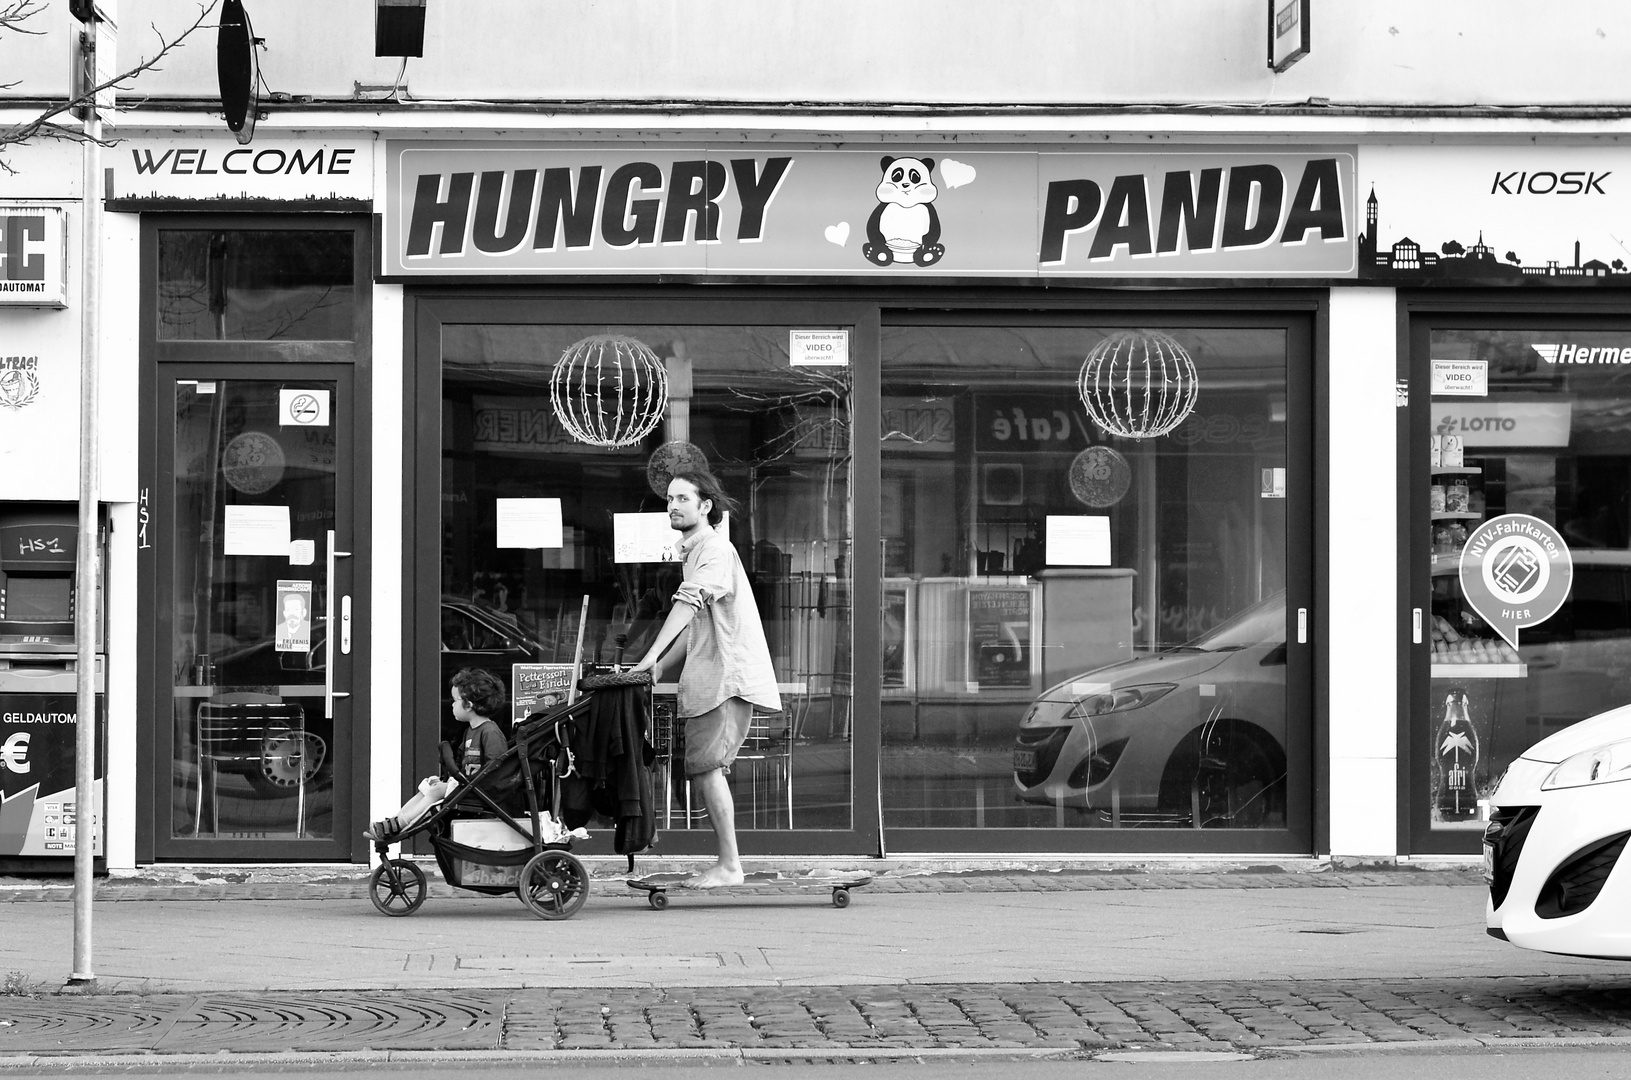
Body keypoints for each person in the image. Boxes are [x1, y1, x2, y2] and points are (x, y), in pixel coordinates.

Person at [630, 470, 781, 889]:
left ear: (705, 506)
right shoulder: (696, 551)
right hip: (710, 678)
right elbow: (698, 624)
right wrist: (661, 665)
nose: (673, 505)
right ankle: (727, 863)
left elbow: (689, 601)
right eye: (669, 499)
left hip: (724, 679)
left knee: (706, 770)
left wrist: (652, 654)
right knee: (703, 769)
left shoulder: (713, 548)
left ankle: (730, 865)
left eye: (682, 498)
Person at [365, 667, 509, 841]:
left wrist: (457, 784)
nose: (452, 705)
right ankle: (395, 821)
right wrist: (448, 781)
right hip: (467, 787)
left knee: (436, 791)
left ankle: (400, 824)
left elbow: (497, 769)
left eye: (455, 701)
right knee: (429, 785)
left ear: (469, 705)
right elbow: (461, 764)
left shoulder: (490, 732)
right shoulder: (470, 732)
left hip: (480, 792)